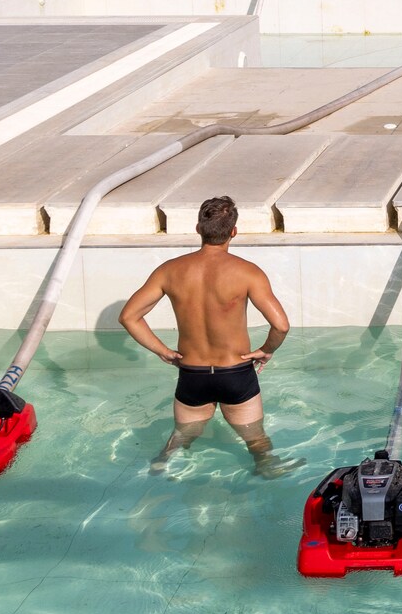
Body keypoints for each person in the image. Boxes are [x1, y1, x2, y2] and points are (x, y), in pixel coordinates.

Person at [118, 195, 291, 474]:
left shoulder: (169, 270)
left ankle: (161, 466)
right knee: (257, 442)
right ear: (233, 231)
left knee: (180, 437)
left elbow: (129, 316)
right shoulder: (248, 272)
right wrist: (266, 349)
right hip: (236, 373)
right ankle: (266, 467)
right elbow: (281, 326)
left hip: (192, 374)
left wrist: (163, 351)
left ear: (198, 229)